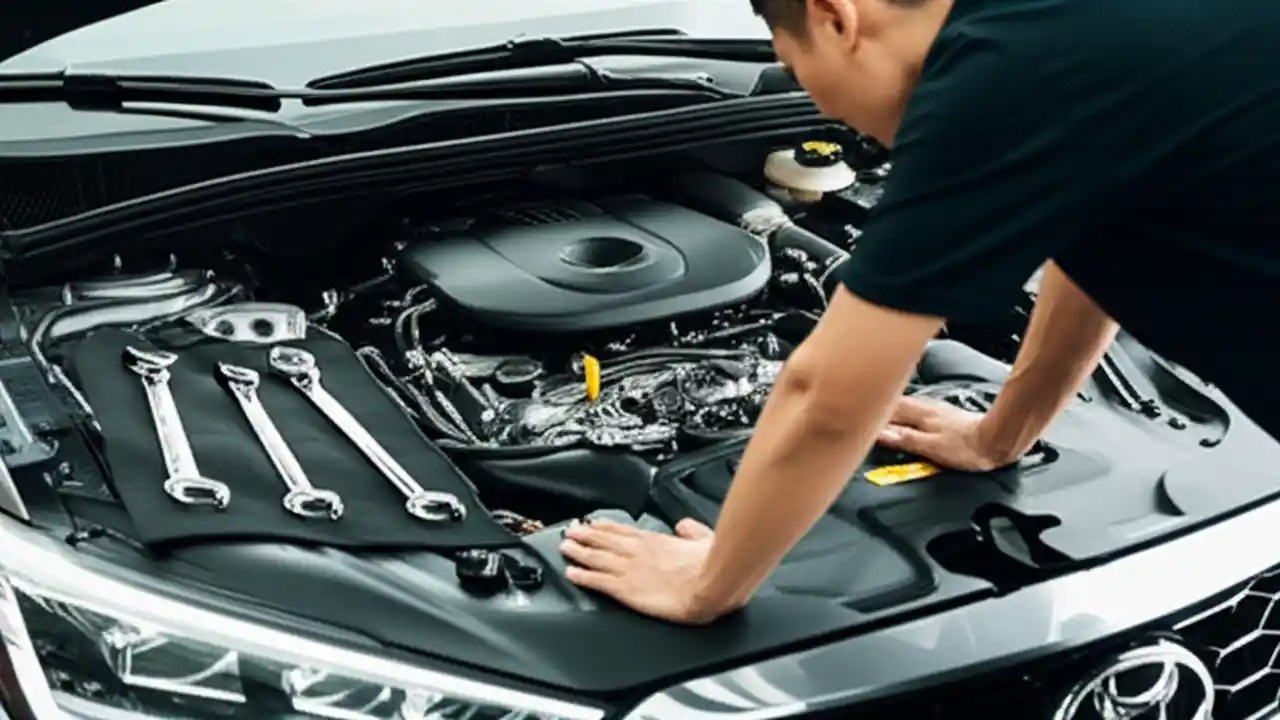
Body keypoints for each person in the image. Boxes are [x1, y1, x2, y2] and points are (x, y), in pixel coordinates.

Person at [558, 0, 1280, 624]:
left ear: (834, 15)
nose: (826, 112)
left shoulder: (1000, 74)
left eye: (797, 69)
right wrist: (1003, 435)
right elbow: (1094, 238)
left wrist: (708, 585)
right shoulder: (1068, 30)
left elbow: (827, 396)